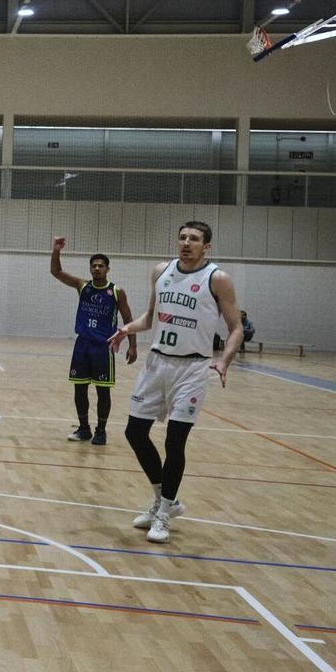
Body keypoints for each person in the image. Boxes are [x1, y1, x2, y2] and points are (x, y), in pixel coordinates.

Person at [108, 221, 243, 545]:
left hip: (192, 369)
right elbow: (149, 317)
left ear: (206, 246)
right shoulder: (161, 271)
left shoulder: (217, 279)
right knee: (134, 432)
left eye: (194, 239)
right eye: (182, 237)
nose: (186, 243)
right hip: (157, 363)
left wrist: (223, 360)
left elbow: (235, 326)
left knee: (174, 441)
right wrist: (127, 329)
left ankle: (164, 513)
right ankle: (163, 498)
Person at [47, 238, 136, 446]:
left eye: (101, 266)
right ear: (90, 269)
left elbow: (128, 320)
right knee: (80, 389)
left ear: (107, 269)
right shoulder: (82, 286)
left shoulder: (116, 291)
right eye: (94, 266)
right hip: (83, 345)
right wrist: (56, 251)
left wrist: (133, 345)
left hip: (103, 347)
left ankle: (101, 430)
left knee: (103, 390)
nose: (97, 268)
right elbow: (56, 272)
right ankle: (84, 429)